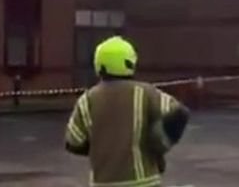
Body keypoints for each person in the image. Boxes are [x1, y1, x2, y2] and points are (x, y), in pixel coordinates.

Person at [65, 36, 190, 187]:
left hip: (102, 182)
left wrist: (101, 150)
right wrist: (159, 143)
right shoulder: (145, 92)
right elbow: (180, 114)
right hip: (144, 181)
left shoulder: (87, 100)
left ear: (99, 64)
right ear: (130, 62)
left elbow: (73, 142)